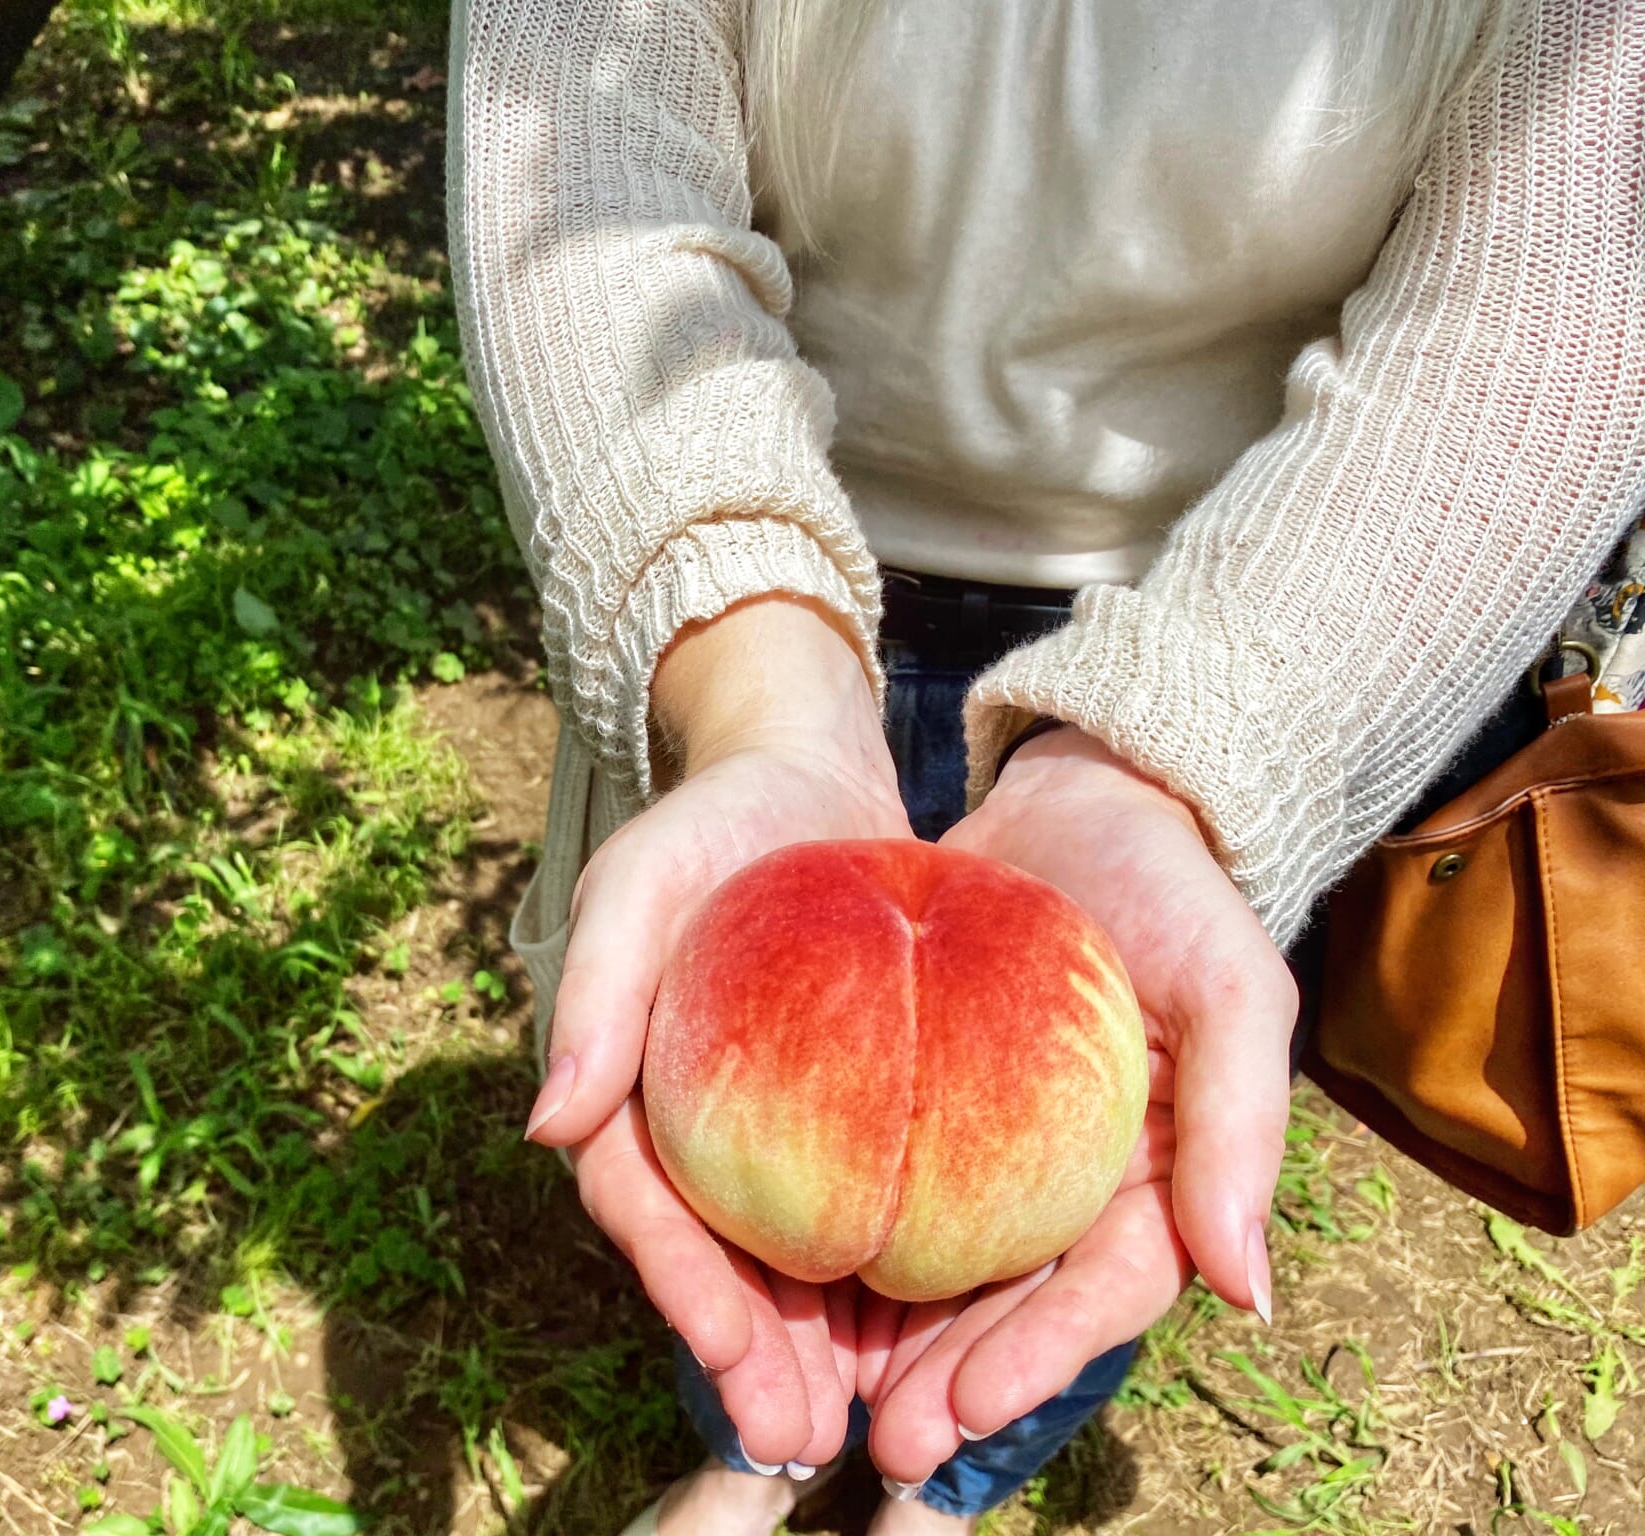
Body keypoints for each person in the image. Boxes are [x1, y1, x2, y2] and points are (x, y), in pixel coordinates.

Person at [446, 0, 1645, 1529]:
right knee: (747, 1177)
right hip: (778, 564)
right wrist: (758, 691)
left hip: (1243, 601)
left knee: (1115, 1153)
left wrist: (1174, 764)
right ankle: (763, 1447)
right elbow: (592, 184)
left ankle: (949, 1481)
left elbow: (1550, 309)